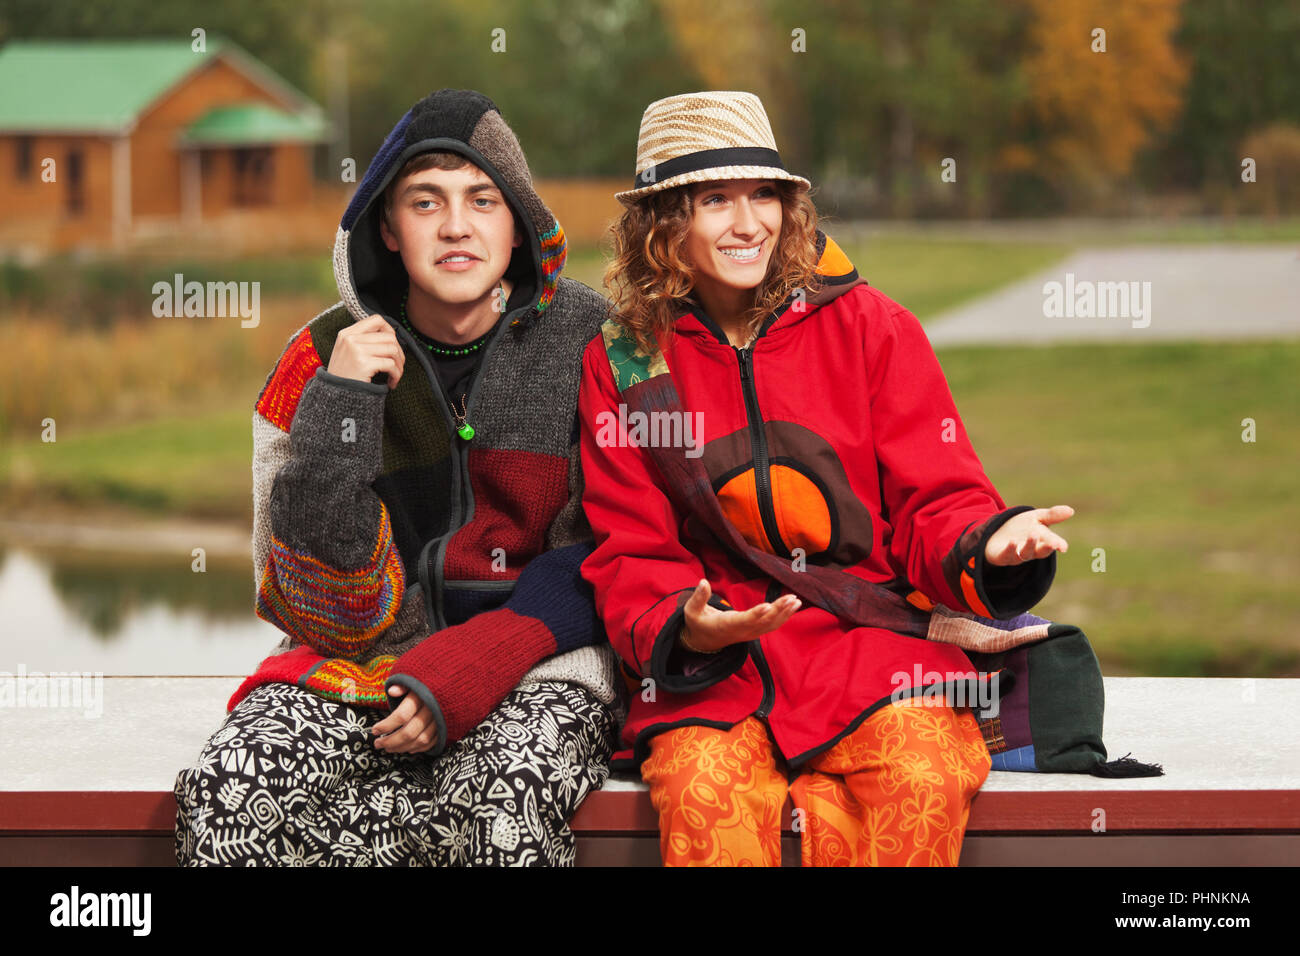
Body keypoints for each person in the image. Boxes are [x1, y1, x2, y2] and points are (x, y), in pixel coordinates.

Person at [578, 91, 1075, 866]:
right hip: (718, 676)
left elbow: (936, 500)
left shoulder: (875, 328)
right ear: (664, 222)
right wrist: (687, 623)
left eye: (764, 195)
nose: (749, 224)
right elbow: (628, 543)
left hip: (869, 647)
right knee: (705, 799)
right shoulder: (624, 361)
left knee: (927, 776)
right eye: (716, 199)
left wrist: (988, 543)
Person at [174, 89, 622, 867]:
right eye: (426, 201)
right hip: (356, 667)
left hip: (540, 666)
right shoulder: (319, 360)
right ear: (388, 226)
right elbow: (324, 606)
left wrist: (469, 667)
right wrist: (344, 408)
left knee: (497, 804)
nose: (457, 225)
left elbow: (619, 553)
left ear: (517, 224)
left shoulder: (595, 342)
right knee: (228, 791)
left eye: (483, 199)